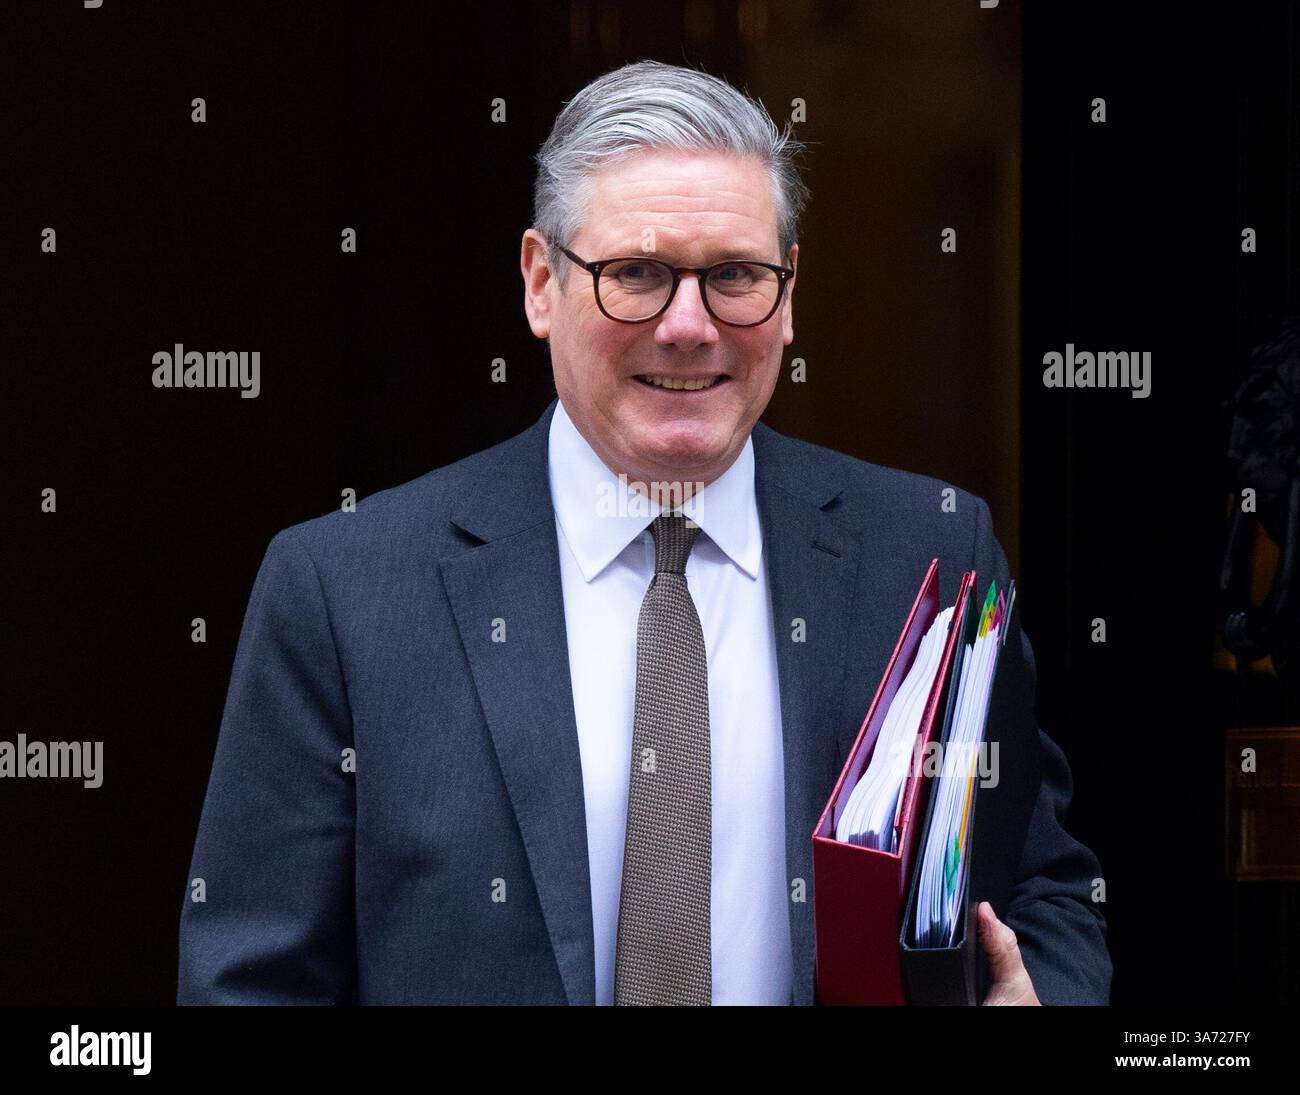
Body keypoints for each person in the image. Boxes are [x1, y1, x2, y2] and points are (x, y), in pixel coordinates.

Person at [178, 60, 1111, 1006]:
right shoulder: (348, 588)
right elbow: (252, 981)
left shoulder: (929, 551)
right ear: (542, 283)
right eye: (637, 274)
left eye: (736, 276)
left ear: (788, 296)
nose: (688, 325)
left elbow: (1041, 886)